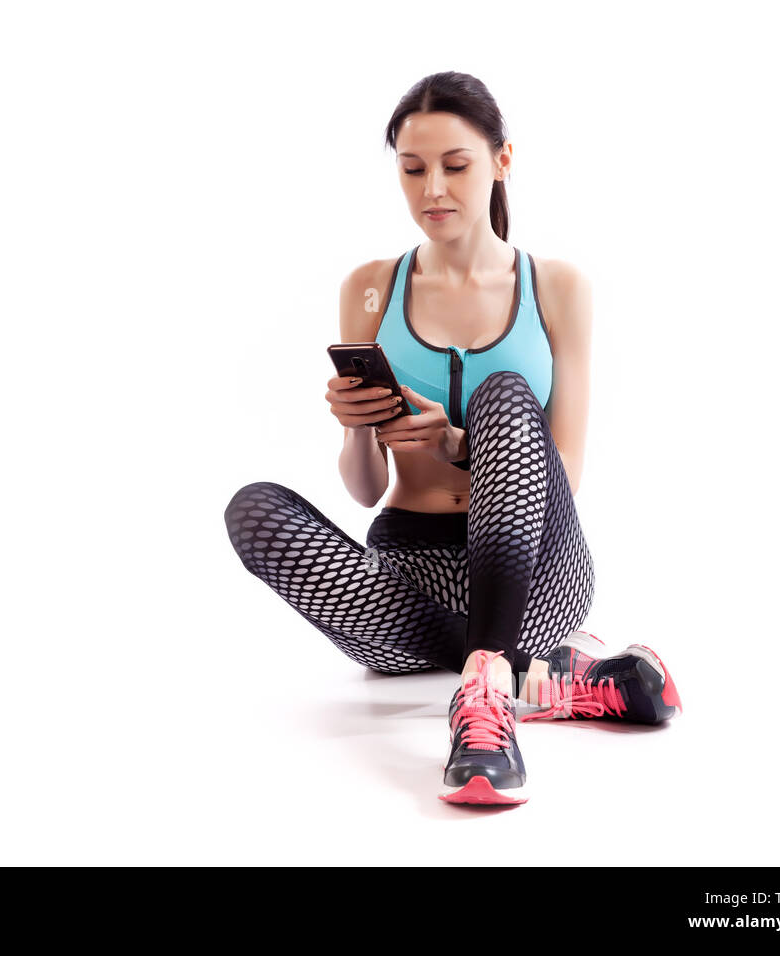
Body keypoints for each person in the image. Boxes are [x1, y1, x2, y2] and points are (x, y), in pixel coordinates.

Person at [223, 71, 682, 807]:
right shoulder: (371, 286)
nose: (431, 187)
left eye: (455, 165)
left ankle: (489, 696)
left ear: (501, 161)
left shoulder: (555, 285)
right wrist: (356, 429)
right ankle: (547, 677)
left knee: (505, 396)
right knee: (253, 511)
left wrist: (461, 444)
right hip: (409, 576)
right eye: (411, 169)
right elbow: (367, 488)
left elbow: (562, 469)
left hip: (535, 573)